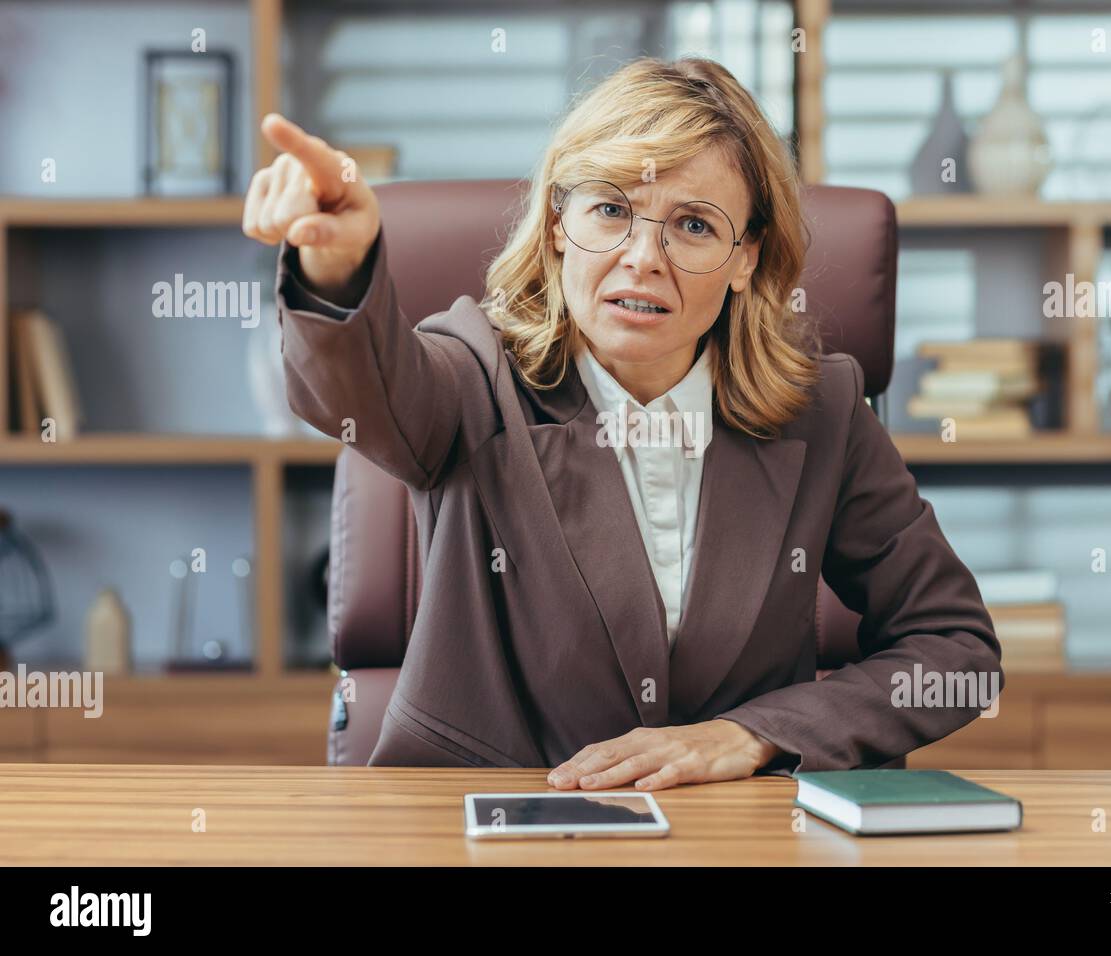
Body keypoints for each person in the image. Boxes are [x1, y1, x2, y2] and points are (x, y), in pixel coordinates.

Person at [242, 56, 1002, 792]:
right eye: (610, 209)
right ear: (557, 226)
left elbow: (955, 650)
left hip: (735, 842)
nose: (643, 257)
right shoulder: (472, 377)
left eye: (694, 225)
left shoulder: (822, 411)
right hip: (488, 829)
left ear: (746, 259)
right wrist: (338, 273)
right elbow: (362, 395)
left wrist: (753, 734)